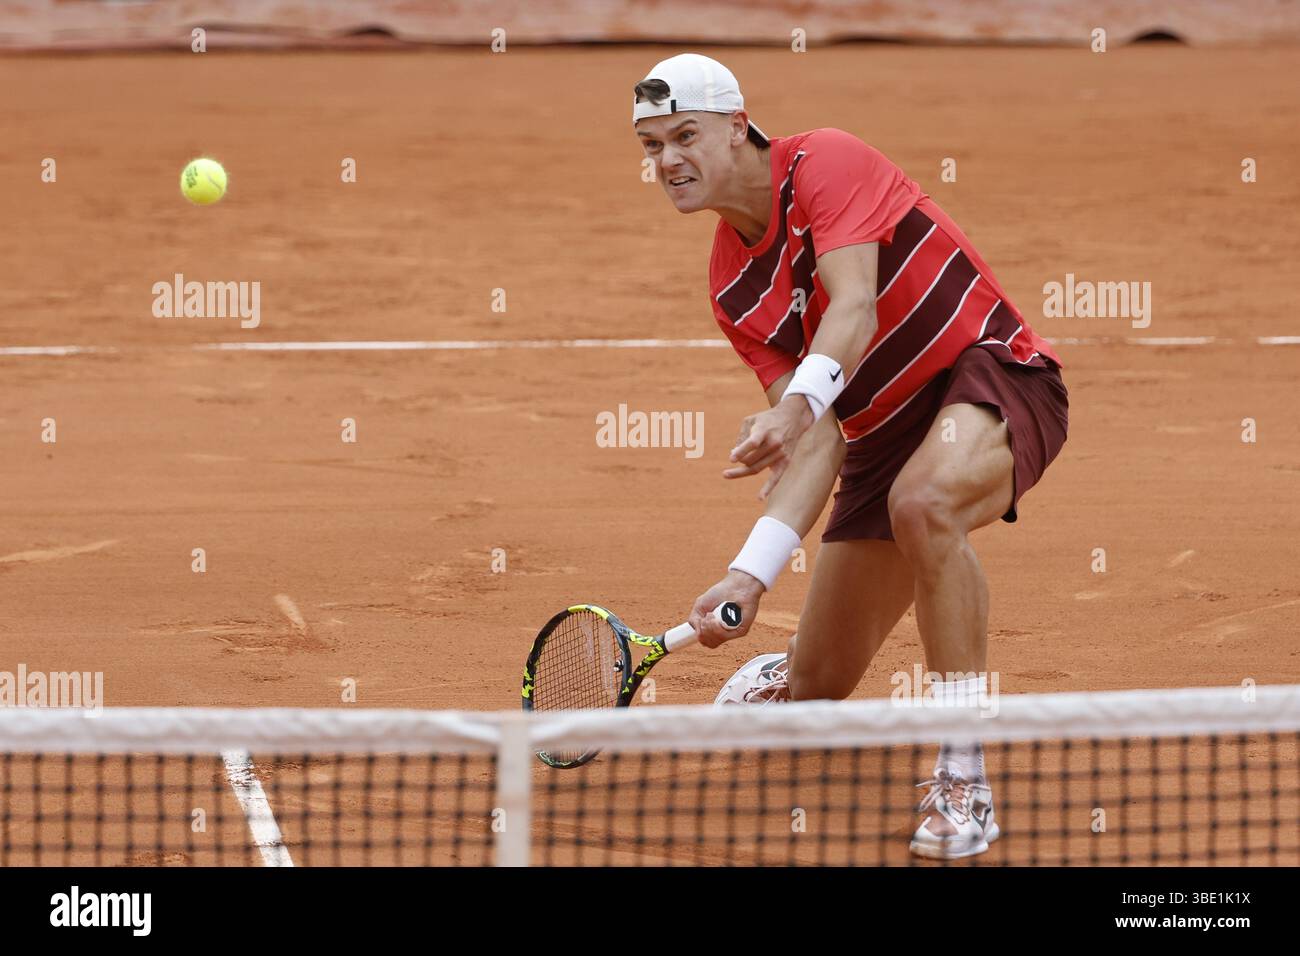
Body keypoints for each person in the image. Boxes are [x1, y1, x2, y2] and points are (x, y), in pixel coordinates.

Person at [633, 53, 1069, 859]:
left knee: (926, 505)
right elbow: (821, 445)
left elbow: (856, 307)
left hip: (991, 376)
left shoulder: (823, 161)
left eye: (684, 135)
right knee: (814, 692)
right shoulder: (733, 288)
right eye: (653, 145)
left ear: (737, 126)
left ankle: (963, 772)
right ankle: (784, 672)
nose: (667, 161)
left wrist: (797, 405)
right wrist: (750, 574)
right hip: (880, 437)